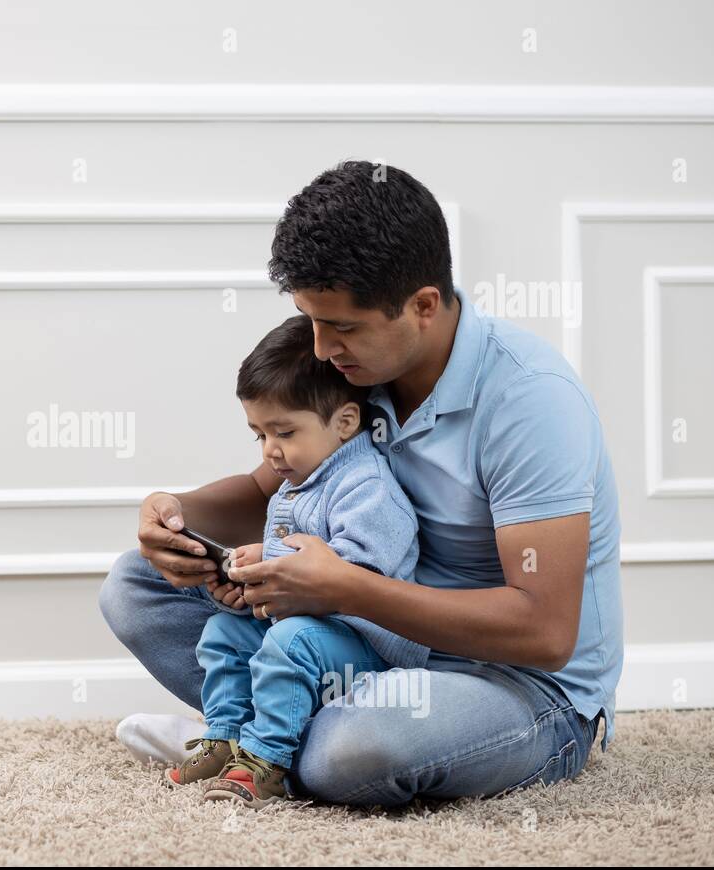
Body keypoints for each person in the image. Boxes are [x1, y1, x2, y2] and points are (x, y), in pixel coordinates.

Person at [99, 160, 621, 807]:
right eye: (311, 321)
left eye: (341, 326)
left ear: (423, 306)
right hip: (364, 645)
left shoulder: (530, 401)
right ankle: (258, 739)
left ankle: (257, 741)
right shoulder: (358, 371)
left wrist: (347, 587)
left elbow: (544, 633)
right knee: (134, 584)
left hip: (513, 681)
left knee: (353, 754)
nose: (320, 349)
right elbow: (269, 489)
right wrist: (176, 512)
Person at [163, 314, 428, 809]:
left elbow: (359, 580)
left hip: (370, 643)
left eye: (284, 432)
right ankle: (227, 738)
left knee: (287, 642)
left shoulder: (368, 488)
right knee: (223, 632)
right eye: (258, 435)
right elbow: (295, 570)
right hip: (309, 629)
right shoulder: (298, 480)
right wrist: (252, 583)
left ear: (345, 422)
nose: (270, 451)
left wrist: (276, 563)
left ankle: (267, 761)